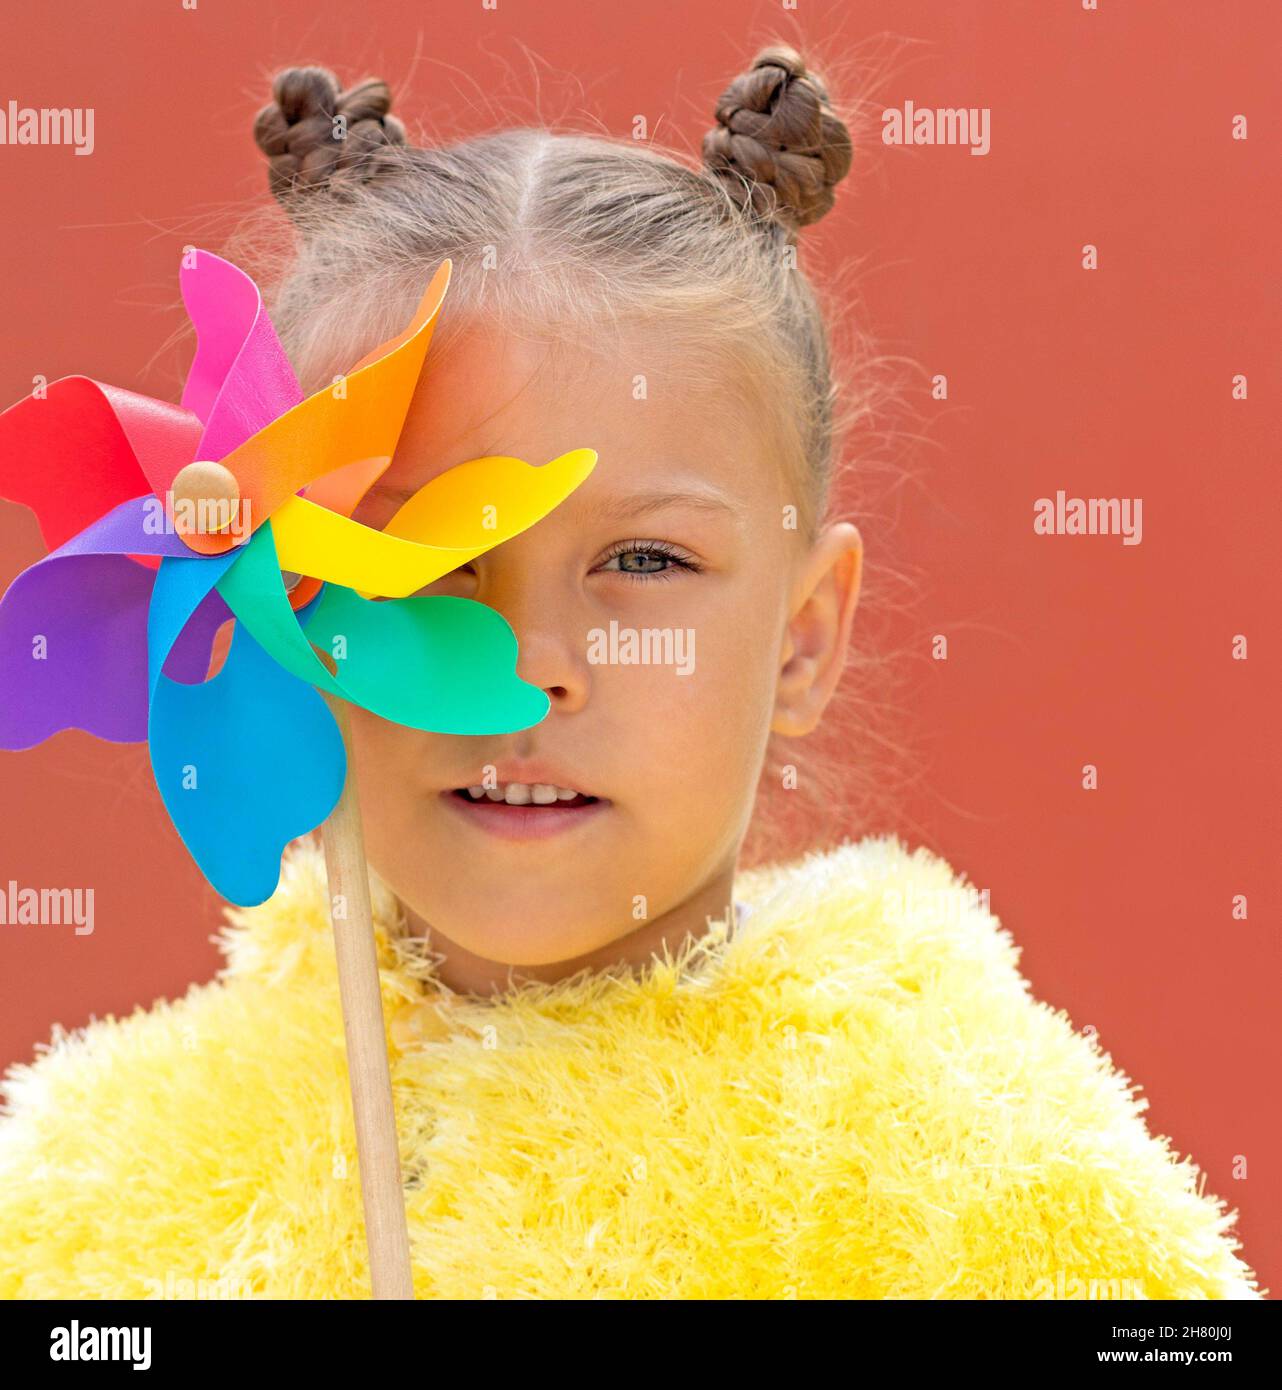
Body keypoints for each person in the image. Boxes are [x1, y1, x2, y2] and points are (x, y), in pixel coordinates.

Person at [0, 46, 1261, 1300]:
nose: (531, 665)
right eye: (426, 558)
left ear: (802, 639)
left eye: (644, 558)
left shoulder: (989, 1195)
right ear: (284, 605)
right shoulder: (76, 1201)